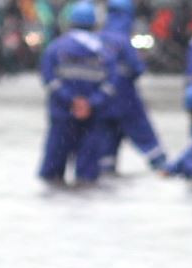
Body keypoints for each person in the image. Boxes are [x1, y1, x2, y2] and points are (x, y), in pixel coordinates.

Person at [37, 2, 117, 184]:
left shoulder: (56, 47)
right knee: (87, 177)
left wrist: (71, 101)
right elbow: (111, 85)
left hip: (62, 116)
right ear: (95, 23)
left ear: (70, 22)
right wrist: (90, 103)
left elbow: (49, 80)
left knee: (51, 175)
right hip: (93, 117)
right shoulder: (104, 51)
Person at [97, 0, 166, 173]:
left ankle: (106, 176)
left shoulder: (98, 38)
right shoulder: (124, 40)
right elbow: (137, 68)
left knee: (106, 145)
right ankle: (163, 168)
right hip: (126, 100)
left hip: (102, 101)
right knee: (147, 140)